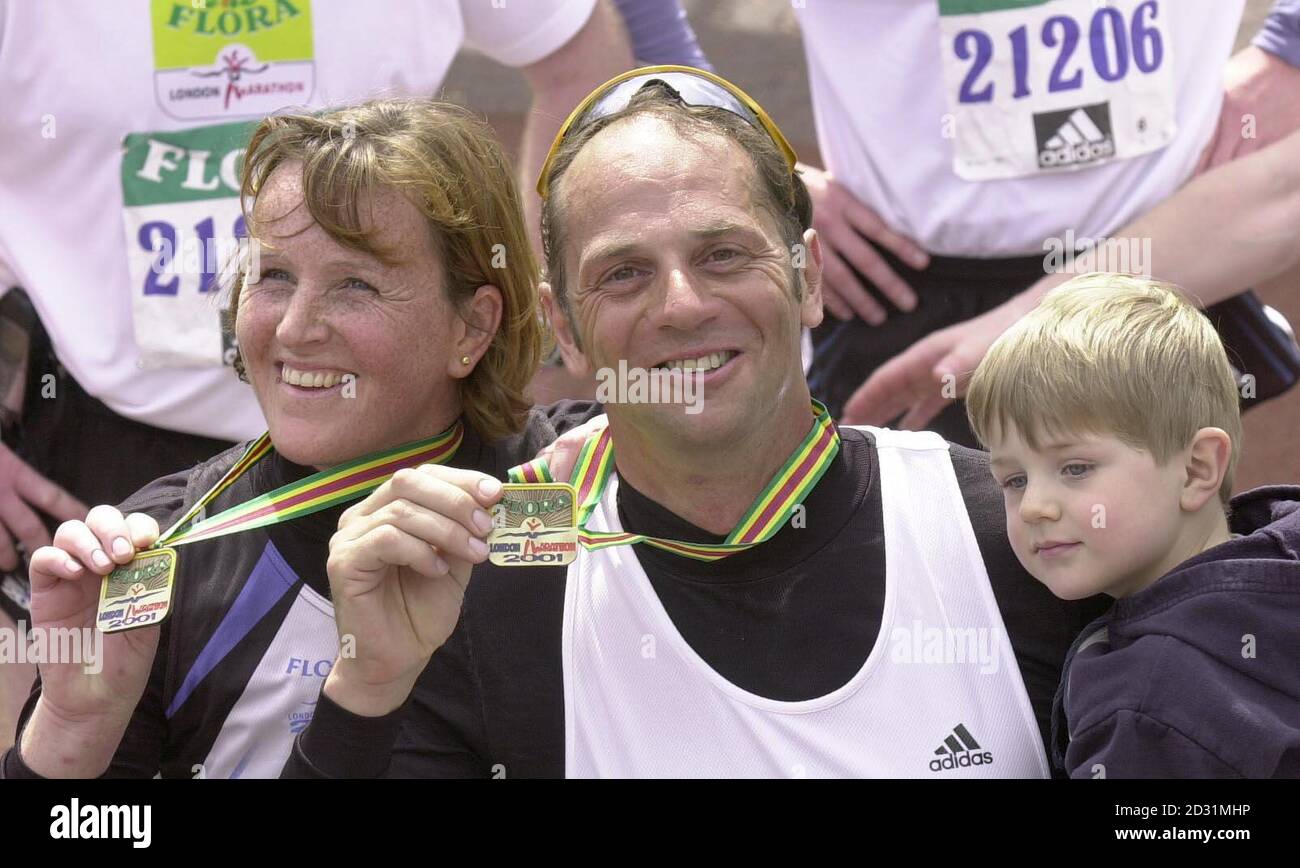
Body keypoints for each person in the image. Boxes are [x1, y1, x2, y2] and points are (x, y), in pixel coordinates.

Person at [280, 68, 1107, 779]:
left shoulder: (1012, 530)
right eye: (625, 273)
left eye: (723, 255)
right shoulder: (486, 591)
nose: (682, 305)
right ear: (562, 328)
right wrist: (367, 689)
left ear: (809, 278)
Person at [0, 0, 719, 749]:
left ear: (475, 323)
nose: (293, 328)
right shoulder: (162, 548)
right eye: (271, 276)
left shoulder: (586, 482)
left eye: (356, 286)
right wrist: (70, 731)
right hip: (99, 435)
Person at [787, 0, 1300, 438]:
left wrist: (1291, 47)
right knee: (900, 539)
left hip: (1175, 257)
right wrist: (758, 154)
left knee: (1157, 535)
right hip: (892, 282)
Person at [965, 273, 1300, 778]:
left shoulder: (1146, 707)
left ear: (1196, 469)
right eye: (1013, 479)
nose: (1034, 506)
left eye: (1075, 468)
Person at [843, 125, 1300, 431]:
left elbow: (1284, 193)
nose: (1042, 506)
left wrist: (1287, 45)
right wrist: (786, 174)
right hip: (895, 279)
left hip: (1164, 253)